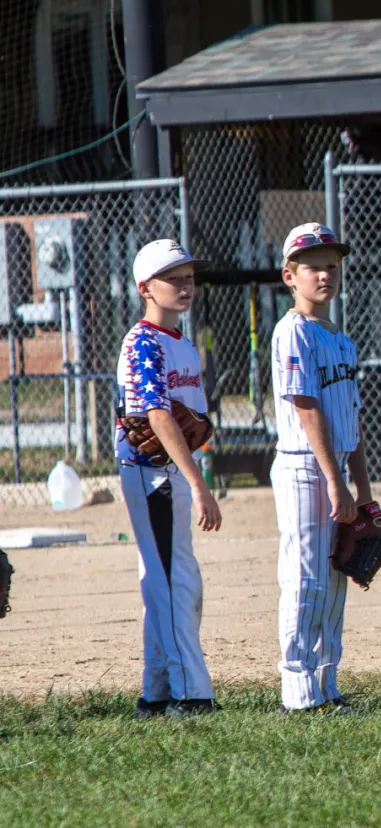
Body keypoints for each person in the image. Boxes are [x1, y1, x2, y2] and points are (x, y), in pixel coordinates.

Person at [118, 239, 222, 719]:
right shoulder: (143, 341)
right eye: (172, 277)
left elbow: (188, 418)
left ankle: (157, 692)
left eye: (188, 276)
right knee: (175, 580)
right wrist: (198, 483)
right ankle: (191, 694)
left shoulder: (181, 344)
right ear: (145, 288)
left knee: (164, 578)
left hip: (171, 472)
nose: (185, 285)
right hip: (152, 474)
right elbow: (157, 416)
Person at [271, 223, 372, 714]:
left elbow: (350, 416)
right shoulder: (292, 332)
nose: (324, 273)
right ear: (290, 275)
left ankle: (327, 684)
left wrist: (364, 491)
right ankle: (298, 688)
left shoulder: (341, 339)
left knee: (333, 582)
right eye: (312, 265)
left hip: (334, 472)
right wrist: (336, 481)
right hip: (303, 469)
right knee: (305, 578)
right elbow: (306, 405)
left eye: (331, 264)